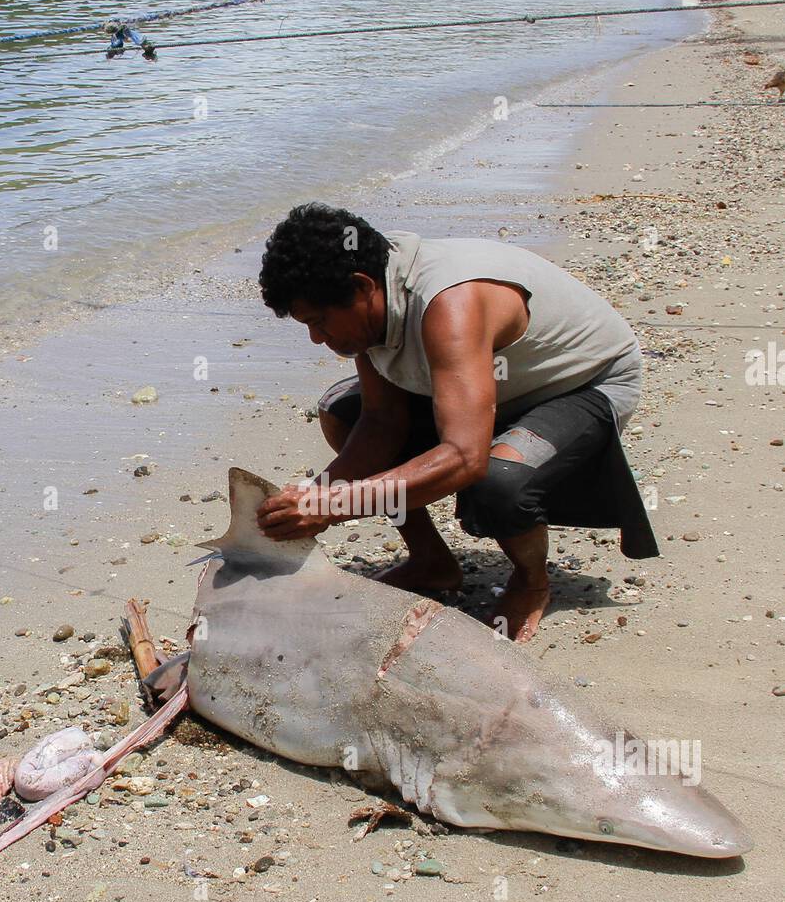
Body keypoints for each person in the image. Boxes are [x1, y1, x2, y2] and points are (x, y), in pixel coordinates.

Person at [255, 203, 657, 642]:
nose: (316, 337)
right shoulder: (373, 307)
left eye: (318, 321)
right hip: (493, 387)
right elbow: (381, 423)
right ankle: (431, 563)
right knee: (340, 412)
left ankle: (532, 582)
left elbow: (465, 459)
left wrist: (333, 506)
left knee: (498, 479)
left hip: (580, 384)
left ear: (361, 286)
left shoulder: (449, 302)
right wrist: (318, 493)